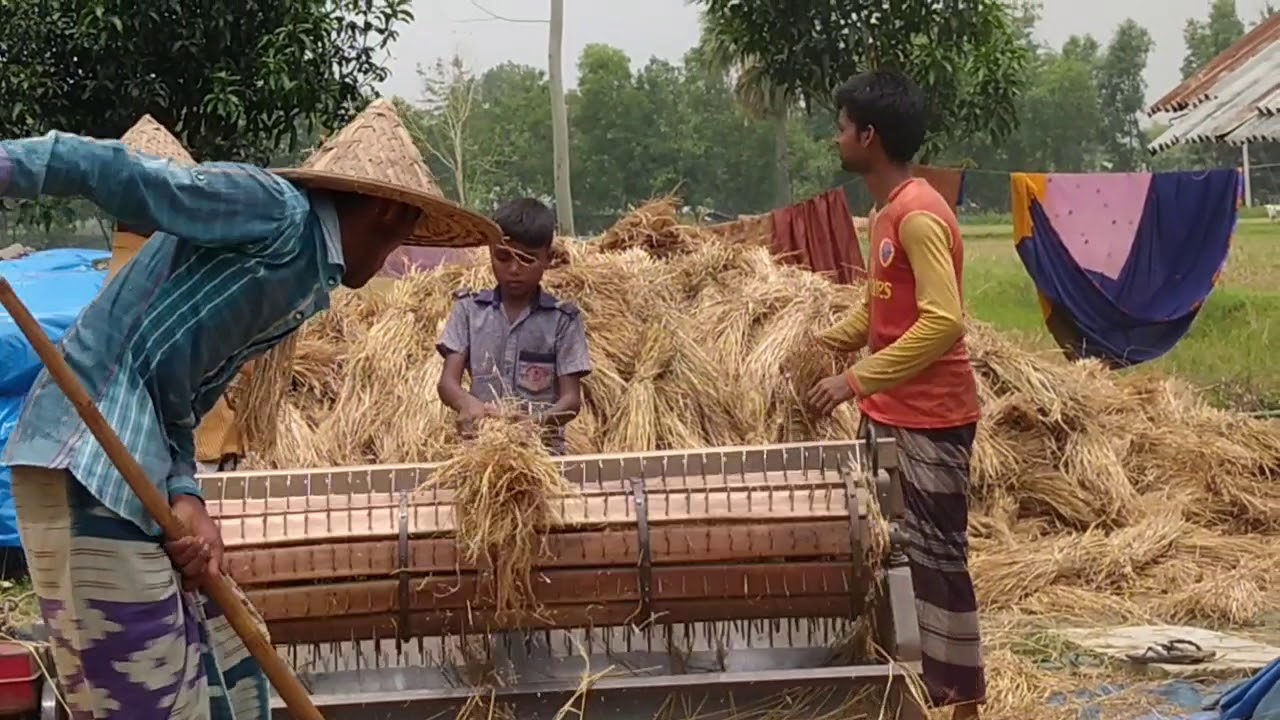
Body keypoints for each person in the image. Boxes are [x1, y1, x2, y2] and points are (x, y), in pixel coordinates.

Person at [0, 100, 500, 720]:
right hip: (85, 455)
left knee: (228, 666)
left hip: (139, 463)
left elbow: (180, 391)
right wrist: (7, 168)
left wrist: (188, 496)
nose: (396, 259)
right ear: (386, 211)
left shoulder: (305, 278)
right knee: (139, 697)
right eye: (404, 237)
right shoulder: (275, 213)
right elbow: (118, 170)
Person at [806, 70, 985, 720]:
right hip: (888, 413)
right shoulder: (886, 213)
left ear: (869, 136)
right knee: (893, 557)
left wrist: (854, 379)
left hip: (932, 419)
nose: (837, 136)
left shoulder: (917, 216)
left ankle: (962, 703)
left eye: (843, 125)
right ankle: (907, 683)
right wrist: (824, 341)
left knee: (939, 562)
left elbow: (943, 321)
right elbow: (881, 308)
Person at [436, 197, 592, 455]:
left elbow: (571, 400)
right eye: (503, 256)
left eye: (527, 259)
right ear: (490, 251)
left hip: (542, 455)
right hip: (482, 452)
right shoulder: (469, 310)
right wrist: (467, 403)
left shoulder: (563, 321)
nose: (514, 269)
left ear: (548, 258)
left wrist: (536, 423)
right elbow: (447, 383)